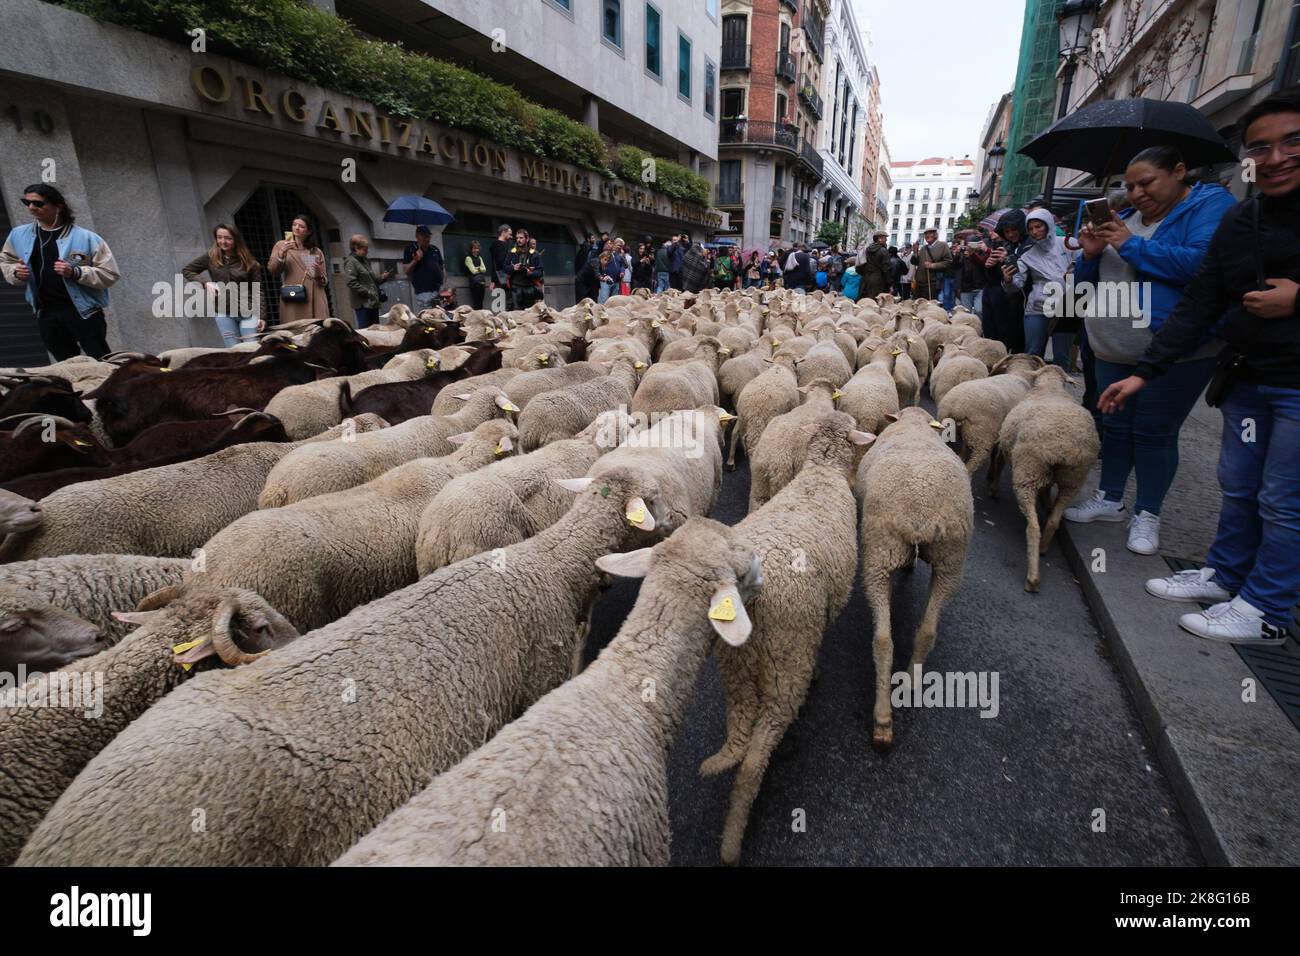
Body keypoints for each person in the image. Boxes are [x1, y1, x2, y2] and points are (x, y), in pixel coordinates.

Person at [1101, 90, 1300, 645]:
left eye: (1293, 141)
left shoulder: (1211, 208)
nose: (1277, 157)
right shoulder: (1245, 217)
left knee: (1286, 499)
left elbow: (1189, 277)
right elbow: (1205, 296)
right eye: (1261, 147)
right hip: (1250, 371)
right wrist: (1146, 370)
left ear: (1181, 173)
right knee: (1239, 484)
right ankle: (1226, 577)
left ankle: (1266, 608)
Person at [1063, 147, 1238, 554]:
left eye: (1146, 183)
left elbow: (1202, 268)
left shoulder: (1209, 210)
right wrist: (1090, 256)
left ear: (1179, 171)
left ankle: (1148, 512)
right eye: (1130, 186)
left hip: (1173, 351)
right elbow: (1091, 283)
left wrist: (1129, 245)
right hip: (1111, 346)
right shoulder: (1125, 221)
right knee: (1116, 426)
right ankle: (1110, 498)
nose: (1137, 193)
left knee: (1155, 432)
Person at [1, 184, 119, 360]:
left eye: (38, 204)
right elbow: (6, 260)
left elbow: (110, 274)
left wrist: (75, 272)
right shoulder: (19, 235)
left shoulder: (87, 237)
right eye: (27, 202)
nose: (31, 208)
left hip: (84, 313)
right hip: (46, 313)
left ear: (58, 206)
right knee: (67, 366)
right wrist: (16, 273)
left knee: (102, 361)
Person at [1001, 208, 1073, 367]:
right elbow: (1016, 284)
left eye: (1038, 226)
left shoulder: (1069, 244)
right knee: (1033, 354)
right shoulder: (1027, 254)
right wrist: (1008, 280)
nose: (1034, 231)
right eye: (1031, 228)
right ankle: (1032, 388)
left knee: (1062, 357)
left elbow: (1085, 264)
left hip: (1068, 306)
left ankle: (1057, 389)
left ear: (1048, 225)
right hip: (1038, 306)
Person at [183, 223, 264, 345]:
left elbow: (258, 291)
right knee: (233, 351)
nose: (223, 241)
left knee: (251, 347)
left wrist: (261, 316)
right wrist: (205, 283)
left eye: (228, 238)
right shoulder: (211, 257)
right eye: (219, 237)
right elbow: (188, 270)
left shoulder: (250, 263)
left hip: (248, 312)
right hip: (223, 312)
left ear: (236, 239)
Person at [268, 212, 330, 323]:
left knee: (317, 331)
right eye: (294, 224)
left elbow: (324, 281)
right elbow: (273, 271)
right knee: (294, 332)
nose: (296, 228)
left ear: (308, 231)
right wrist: (282, 253)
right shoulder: (281, 245)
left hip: (316, 296)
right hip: (294, 296)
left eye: (301, 226)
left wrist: (318, 274)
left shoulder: (315, 251)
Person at [982, 211, 1029, 352]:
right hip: (1002, 300)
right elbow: (998, 277)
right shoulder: (1009, 246)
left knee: (1018, 342)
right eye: (1006, 231)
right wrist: (990, 266)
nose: (1010, 234)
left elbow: (1023, 275)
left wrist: (1007, 259)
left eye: (1013, 230)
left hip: (1022, 302)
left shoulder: (1029, 246)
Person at [341, 234, 393, 329]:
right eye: (364, 249)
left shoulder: (364, 260)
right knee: (366, 330)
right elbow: (351, 282)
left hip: (372, 302)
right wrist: (368, 292)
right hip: (362, 304)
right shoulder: (351, 262)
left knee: (376, 329)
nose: (367, 252)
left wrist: (382, 277)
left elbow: (371, 280)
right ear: (356, 248)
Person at [402, 225, 445, 311]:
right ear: (417, 236)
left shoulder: (434, 249)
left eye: (428, 236)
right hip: (423, 291)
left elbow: (442, 267)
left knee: (439, 316)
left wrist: (444, 283)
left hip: (438, 289)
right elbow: (406, 270)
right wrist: (415, 260)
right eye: (424, 236)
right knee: (427, 317)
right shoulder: (411, 249)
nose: (427, 239)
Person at [912, 226, 953, 303]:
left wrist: (933, 265)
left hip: (932, 284)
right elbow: (915, 262)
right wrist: (915, 252)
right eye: (926, 234)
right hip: (919, 283)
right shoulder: (924, 248)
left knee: (929, 307)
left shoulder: (943, 245)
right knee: (918, 306)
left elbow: (948, 262)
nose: (927, 235)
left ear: (935, 235)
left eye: (930, 233)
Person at [508, 232, 544, 308]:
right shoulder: (512, 253)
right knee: (516, 311)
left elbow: (540, 272)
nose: (518, 240)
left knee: (529, 313)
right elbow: (505, 268)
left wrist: (531, 273)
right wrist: (513, 268)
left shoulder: (536, 255)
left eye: (521, 238)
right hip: (516, 287)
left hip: (530, 288)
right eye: (517, 238)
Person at [959, 232, 989, 315]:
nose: (971, 246)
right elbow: (956, 266)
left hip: (980, 287)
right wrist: (958, 255)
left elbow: (983, 263)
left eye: (972, 244)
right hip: (966, 288)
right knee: (965, 313)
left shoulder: (983, 253)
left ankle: (979, 327)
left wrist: (973, 254)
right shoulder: (963, 254)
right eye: (968, 244)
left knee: (979, 310)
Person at [858, 230, 892, 301]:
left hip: (866, 278)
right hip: (878, 280)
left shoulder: (867, 249)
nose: (886, 240)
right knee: (876, 301)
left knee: (865, 300)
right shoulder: (883, 251)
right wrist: (889, 283)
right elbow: (886, 268)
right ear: (879, 238)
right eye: (885, 238)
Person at [488, 223, 513, 309]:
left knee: (504, 303)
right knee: (506, 303)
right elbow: (499, 262)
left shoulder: (499, 244)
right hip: (503, 277)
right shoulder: (500, 245)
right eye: (509, 234)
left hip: (501, 277)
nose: (510, 236)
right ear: (503, 232)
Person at [463, 240, 490, 311]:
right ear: (471, 249)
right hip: (474, 283)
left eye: (477, 248)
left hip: (481, 282)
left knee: (481, 302)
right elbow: (473, 271)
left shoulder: (479, 257)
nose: (476, 250)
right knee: (476, 302)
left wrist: (478, 268)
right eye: (474, 248)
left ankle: (481, 317)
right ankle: (476, 317)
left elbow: (484, 269)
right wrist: (479, 269)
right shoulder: (468, 258)